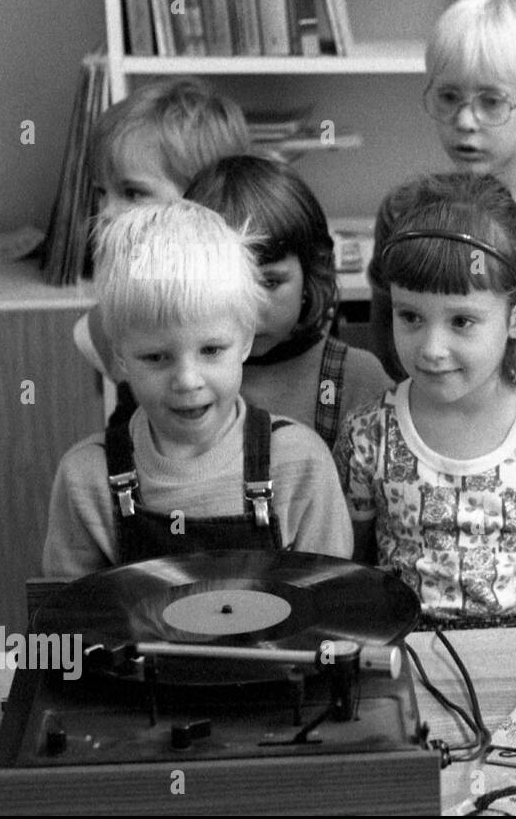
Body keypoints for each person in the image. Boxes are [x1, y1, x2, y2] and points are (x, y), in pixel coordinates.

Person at [334, 173, 516, 628]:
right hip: (407, 662)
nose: (431, 348)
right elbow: (355, 560)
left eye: (462, 321)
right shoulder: (367, 435)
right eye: (410, 316)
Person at [44, 201, 353, 577]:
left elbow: (332, 613)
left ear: (245, 341)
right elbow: (70, 622)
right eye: (156, 357)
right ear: (120, 356)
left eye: (210, 350)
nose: (188, 380)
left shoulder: (301, 465)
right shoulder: (85, 478)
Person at [368, 0, 516, 380]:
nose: (466, 120)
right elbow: (387, 347)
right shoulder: (403, 212)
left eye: (491, 101)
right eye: (449, 96)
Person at [184, 155, 391, 447]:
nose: (251, 309)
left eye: (270, 282)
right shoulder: (180, 378)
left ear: (310, 276)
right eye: (228, 283)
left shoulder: (353, 379)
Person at [74, 76, 251, 384]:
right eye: (102, 192)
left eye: (132, 193)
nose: (106, 213)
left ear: (203, 195)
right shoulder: (101, 328)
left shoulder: (252, 312)